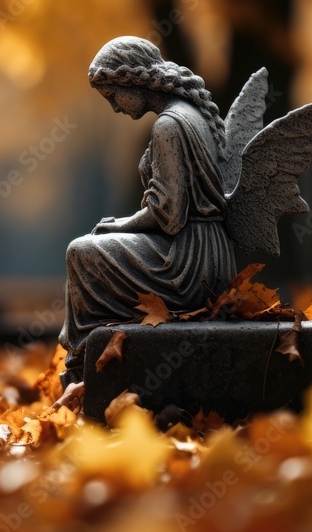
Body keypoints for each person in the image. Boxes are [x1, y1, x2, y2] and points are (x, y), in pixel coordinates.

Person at [59, 37, 237, 386]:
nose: (114, 108)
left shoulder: (169, 125)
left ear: (133, 81)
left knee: (80, 252)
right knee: (87, 250)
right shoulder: (188, 115)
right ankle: (87, 356)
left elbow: (169, 215)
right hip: (206, 252)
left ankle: (81, 367)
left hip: (188, 264)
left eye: (113, 96)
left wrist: (119, 226)